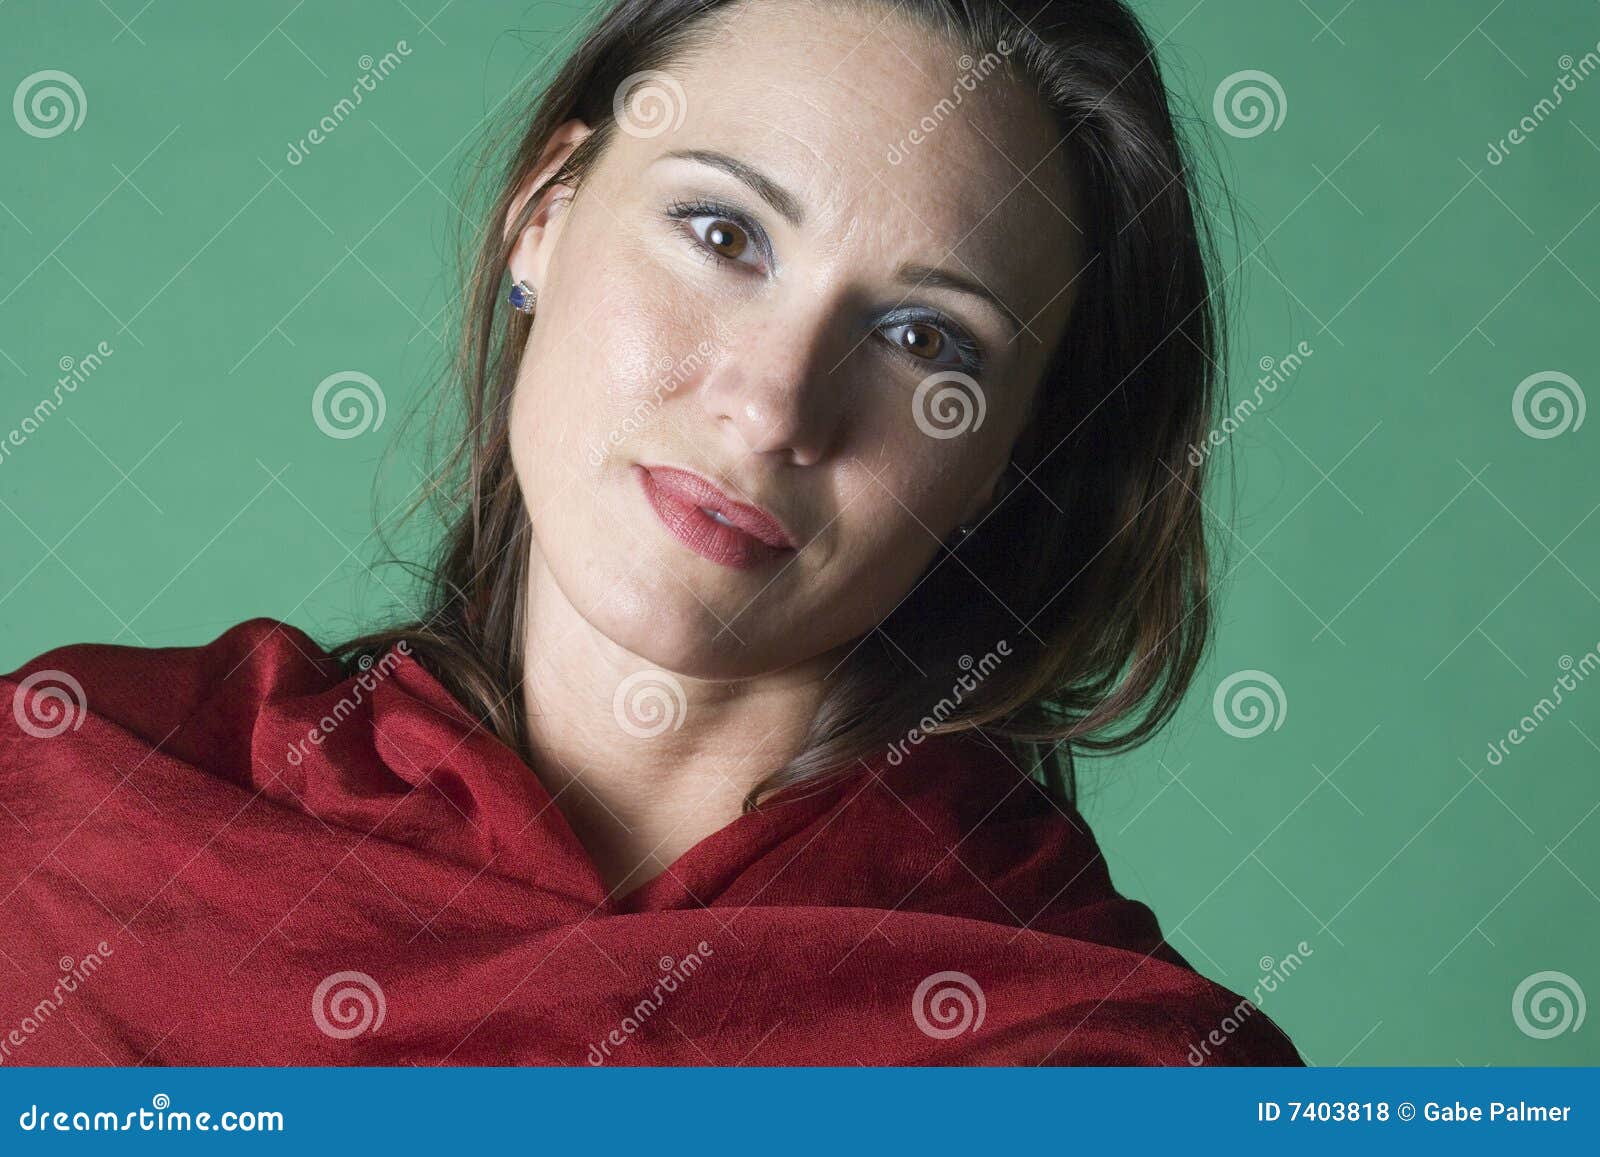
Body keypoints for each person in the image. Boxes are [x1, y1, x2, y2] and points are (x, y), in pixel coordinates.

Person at [0, 0, 1301, 1065]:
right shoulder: (61, 812)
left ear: (1014, 461)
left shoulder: (1106, 1062)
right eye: (724, 232)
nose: (773, 401)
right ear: (544, 217)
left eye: (923, 340)